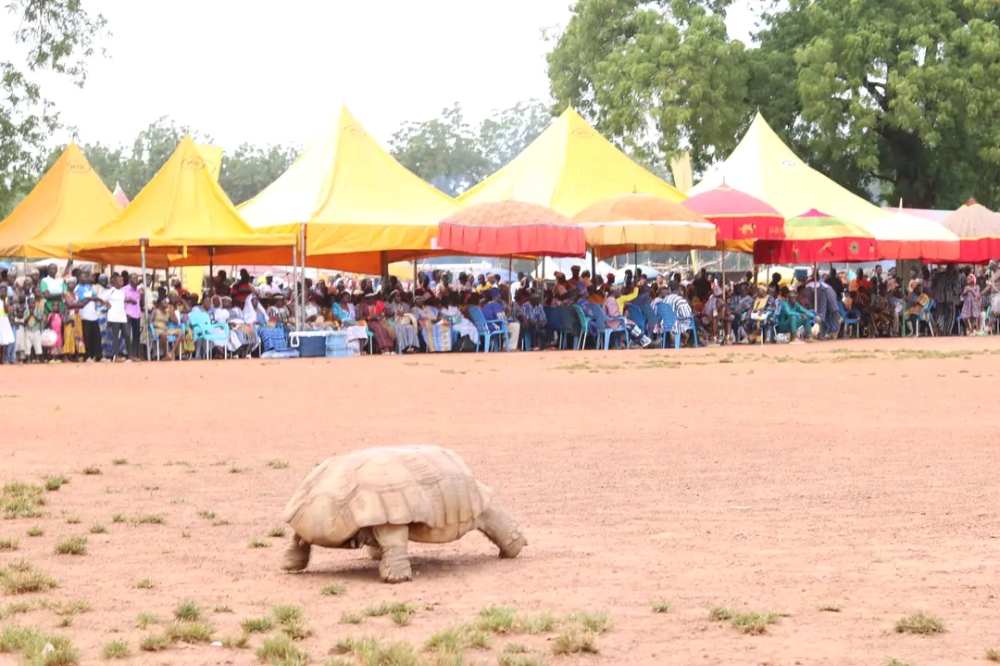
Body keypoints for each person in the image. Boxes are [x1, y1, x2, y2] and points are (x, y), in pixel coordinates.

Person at [74, 271, 103, 362]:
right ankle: (87, 356)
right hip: (84, 316)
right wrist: (90, 299)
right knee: (87, 337)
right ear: (78, 278)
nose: (85, 279)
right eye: (82, 277)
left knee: (97, 337)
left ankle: (98, 356)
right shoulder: (77, 289)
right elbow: (79, 303)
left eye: (85, 277)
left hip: (94, 316)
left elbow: (95, 298)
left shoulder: (90, 287)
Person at [101, 274, 129, 361]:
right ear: (115, 282)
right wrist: (106, 304)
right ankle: (115, 356)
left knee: (126, 335)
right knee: (115, 336)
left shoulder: (122, 292)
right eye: (120, 281)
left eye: (122, 281)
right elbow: (101, 298)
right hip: (113, 317)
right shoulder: (111, 291)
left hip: (122, 317)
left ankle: (130, 355)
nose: (122, 282)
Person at [0, 285, 15, 364]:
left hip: (4, 321)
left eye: (4, 291)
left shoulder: (6, 300)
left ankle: (3, 359)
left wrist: (4, 301)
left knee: (4, 341)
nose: (2, 292)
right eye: (1, 290)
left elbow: (6, 311)